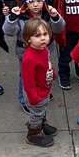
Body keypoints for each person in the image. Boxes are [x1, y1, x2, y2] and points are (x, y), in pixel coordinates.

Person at [4, 0, 65, 112]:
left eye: (39, 1)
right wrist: (13, 17)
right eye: (31, 1)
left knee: (43, 72)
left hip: (44, 51)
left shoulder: (47, 15)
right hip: (25, 54)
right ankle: (24, 99)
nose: (35, 4)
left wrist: (55, 16)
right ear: (25, 3)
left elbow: (59, 28)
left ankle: (43, 91)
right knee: (25, 76)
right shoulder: (21, 17)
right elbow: (8, 31)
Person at [20, 17, 59, 147]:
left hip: (44, 88)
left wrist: (52, 72)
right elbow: (28, 81)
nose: (43, 38)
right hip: (35, 93)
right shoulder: (29, 58)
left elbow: (47, 63)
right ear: (28, 38)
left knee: (42, 109)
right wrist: (33, 97)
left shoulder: (44, 49)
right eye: (37, 36)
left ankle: (42, 123)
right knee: (36, 113)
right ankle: (34, 134)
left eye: (45, 34)